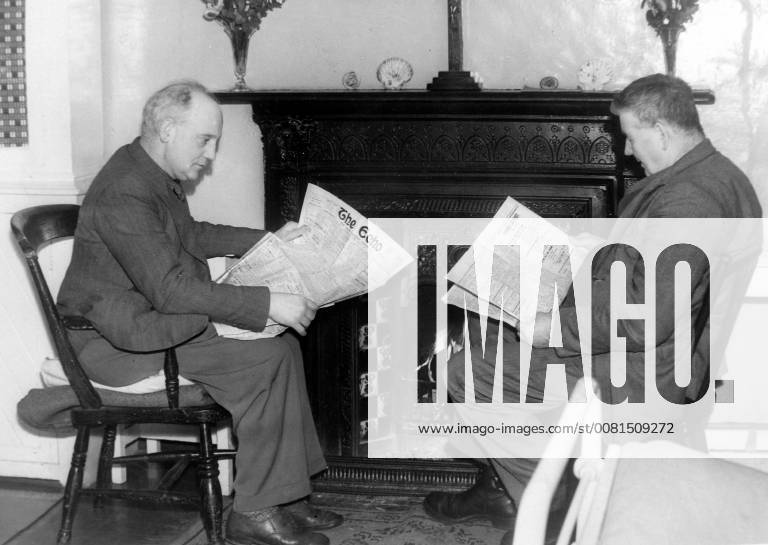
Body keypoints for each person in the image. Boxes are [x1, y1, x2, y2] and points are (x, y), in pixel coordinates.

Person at [422, 74, 762, 545]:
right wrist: (600, 248)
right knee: (496, 342)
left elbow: (648, 316)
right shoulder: (718, 176)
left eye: (631, 135)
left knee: (465, 369)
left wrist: (552, 328)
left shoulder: (689, 198)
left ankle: (547, 506)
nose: (626, 151)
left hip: (647, 370)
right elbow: (668, 270)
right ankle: (528, 485)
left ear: (661, 131)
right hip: (671, 354)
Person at [57, 80, 341, 545]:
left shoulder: (149, 172)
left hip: (148, 318)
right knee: (265, 362)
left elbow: (192, 235)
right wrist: (268, 302)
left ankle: (286, 496)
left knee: (283, 348)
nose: (209, 155)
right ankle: (255, 513)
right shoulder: (125, 191)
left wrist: (268, 240)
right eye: (204, 140)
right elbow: (170, 290)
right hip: (114, 340)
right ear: (168, 129)